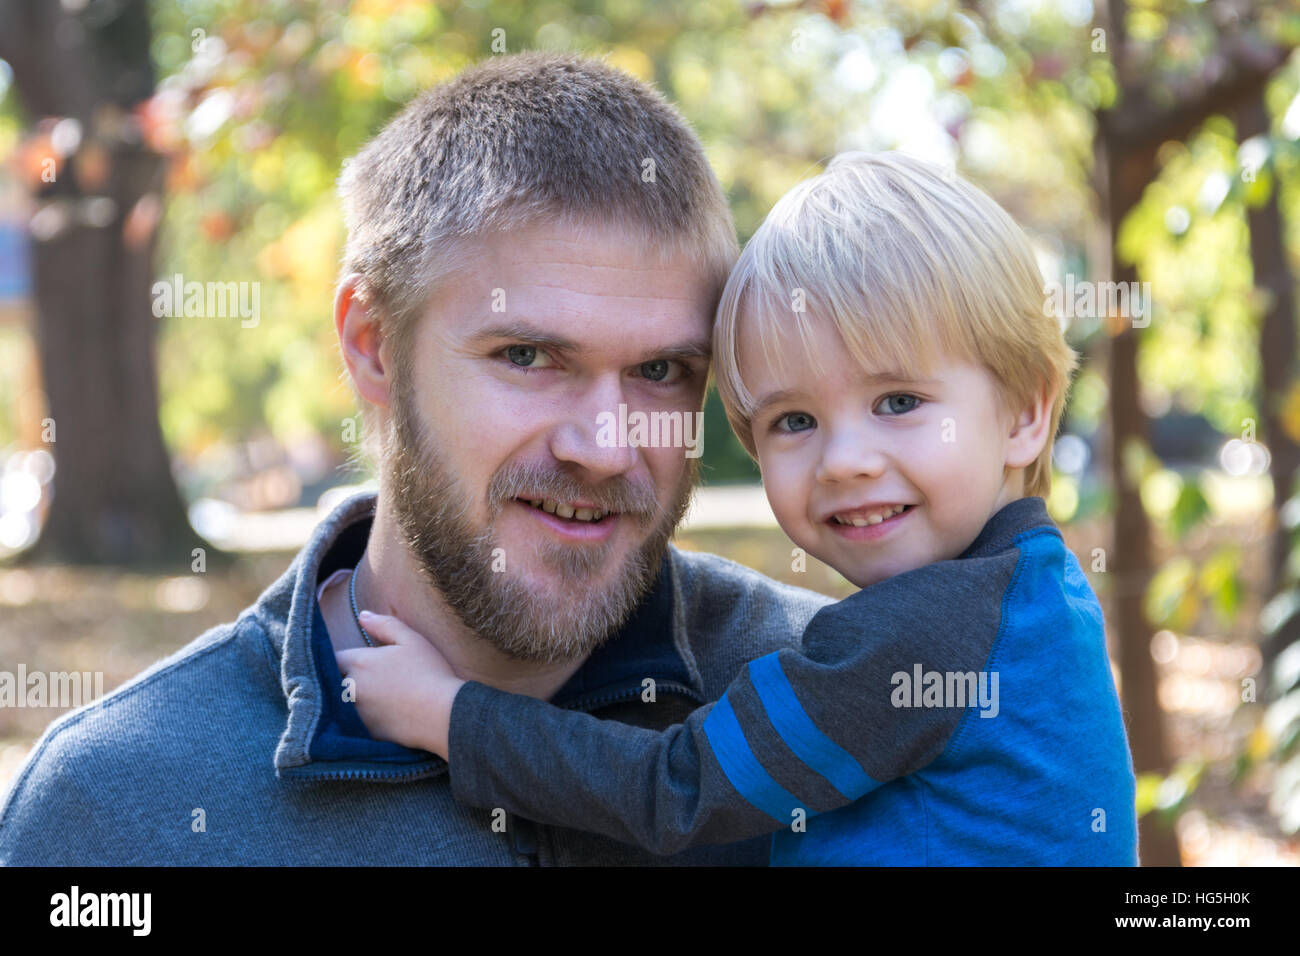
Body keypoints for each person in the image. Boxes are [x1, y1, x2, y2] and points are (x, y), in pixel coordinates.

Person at [0, 52, 838, 866]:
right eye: (527, 356)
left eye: (660, 372)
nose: (605, 447)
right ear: (374, 347)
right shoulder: (111, 810)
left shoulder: (837, 710)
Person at [338, 152, 1141, 865]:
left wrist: (449, 715)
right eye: (794, 421)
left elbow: (675, 790)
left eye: (898, 400)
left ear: (1027, 413)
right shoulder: (1034, 597)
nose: (846, 460)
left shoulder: (938, 631)